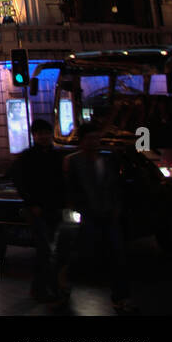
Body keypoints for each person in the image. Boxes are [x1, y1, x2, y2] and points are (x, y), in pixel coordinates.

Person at [59, 120, 135, 313]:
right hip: (87, 215)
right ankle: (64, 284)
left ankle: (121, 297)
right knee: (84, 254)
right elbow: (69, 188)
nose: (94, 142)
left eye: (96, 138)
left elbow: (115, 186)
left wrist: (116, 207)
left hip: (107, 214)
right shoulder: (73, 161)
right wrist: (75, 208)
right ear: (82, 141)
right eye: (90, 138)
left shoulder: (107, 160)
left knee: (118, 256)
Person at [9, 118, 66, 302]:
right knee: (44, 249)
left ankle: (44, 286)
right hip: (36, 210)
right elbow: (20, 182)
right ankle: (46, 287)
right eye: (40, 133)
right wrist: (32, 203)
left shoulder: (57, 156)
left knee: (53, 250)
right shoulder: (27, 157)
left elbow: (63, 181)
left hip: (54, 208)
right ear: (34, 135)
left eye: (46, 133)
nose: (44, 137)